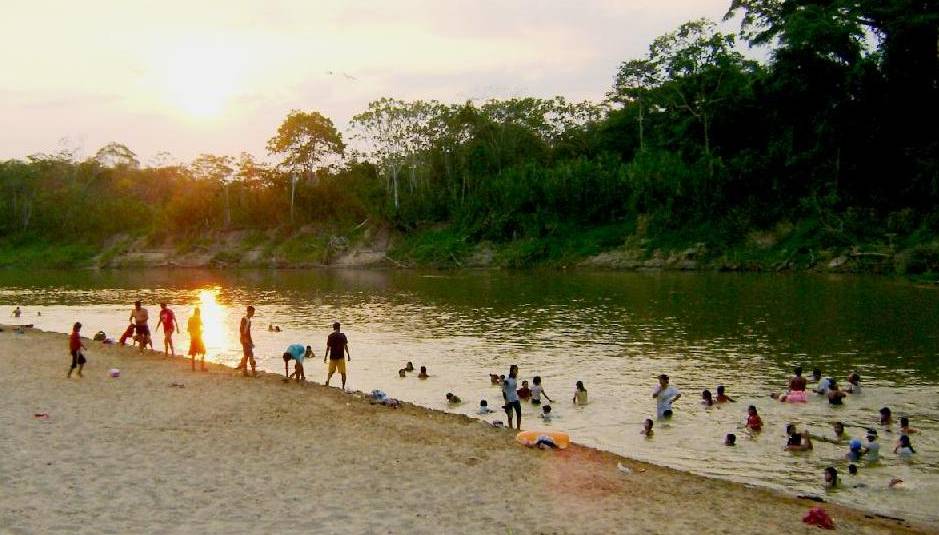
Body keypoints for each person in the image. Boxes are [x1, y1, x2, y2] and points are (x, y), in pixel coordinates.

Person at [324, 322, 350, 389]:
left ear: (333, 328)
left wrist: (325, 357)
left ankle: (328, 381)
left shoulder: (330, 336)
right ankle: (343, 387)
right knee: (343, 373)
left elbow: (328, 347)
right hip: (341, 356)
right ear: (339, 328)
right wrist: (348, 355)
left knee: (330, 371)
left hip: (332, 357)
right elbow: (345, 346)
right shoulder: (342, 336)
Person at [236, 306, 256, 376]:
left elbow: (248, 332)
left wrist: (251, 341)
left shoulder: (249, 321)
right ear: (249, 311)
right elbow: (241, 330)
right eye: (253, 312)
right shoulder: (244, 319)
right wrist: (245, 340)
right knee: (250, 354)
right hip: (244, 339)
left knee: (247, 355)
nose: (253, 314)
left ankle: (245, 371)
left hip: (247, 339)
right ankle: (252, 372)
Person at [187, 307, 206, 372]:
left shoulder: (190, 319)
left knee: (193, 353)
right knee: (203, 351)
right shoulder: (198, 318)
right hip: (198, 337)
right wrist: (201, 332)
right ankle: (202, 367)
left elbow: (188, 330)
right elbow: (202, 324)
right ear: (199, 312)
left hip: (192, 337)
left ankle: (193, 368)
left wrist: (191, 335)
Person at [502, 365, 521, 429]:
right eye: (515, 370)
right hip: (509, 400)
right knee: (510, 416)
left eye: (517, 370)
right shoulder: (507, 380)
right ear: (511, 371)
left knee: (519, 414)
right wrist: (506, 400)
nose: (517, 371)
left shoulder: (515, 378)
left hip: (516, 399)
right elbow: (503, 390)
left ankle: (518, 428)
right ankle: (511, 428)